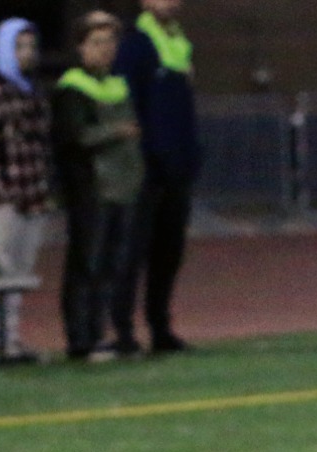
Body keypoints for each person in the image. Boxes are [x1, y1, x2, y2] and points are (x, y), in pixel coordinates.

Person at [52, 11, 144, 360]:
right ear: (80, 47)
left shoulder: (117, 84)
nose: (105, 49)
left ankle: (99, 333)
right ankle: (80, 339)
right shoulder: (72, 88)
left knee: (111, 266)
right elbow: (74, 137)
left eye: (110, 41)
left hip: (122, 187)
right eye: (96, 42)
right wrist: (116, 132)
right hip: (92, 190)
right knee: (86, 265)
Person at [113, 0, 201, 355]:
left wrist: (191, 156)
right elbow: (128, 104)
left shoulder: (180, 43)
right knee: (132, 253)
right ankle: (122, 330)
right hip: (146, 170)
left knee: (168, 253)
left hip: (178, 169)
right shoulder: (135, 46)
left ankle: (160, 327)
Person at [0, 17, 52, 362]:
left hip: (34, 196)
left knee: (20, 271)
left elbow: (40, 147)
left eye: (31, 46)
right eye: (19, 46)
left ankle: (12, 337)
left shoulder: (34, 94)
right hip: (5, 200)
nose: (27, 54)